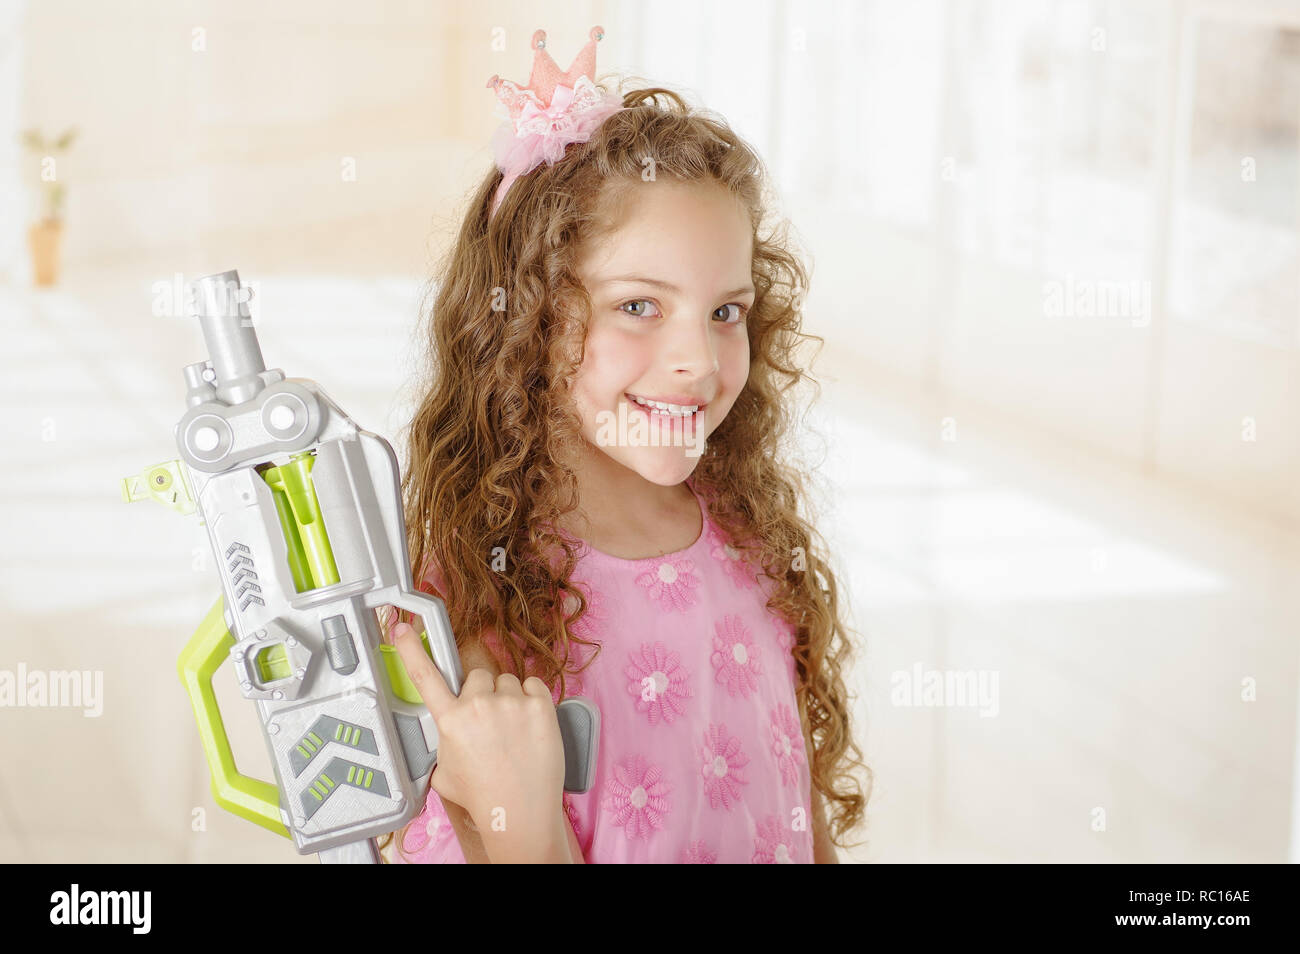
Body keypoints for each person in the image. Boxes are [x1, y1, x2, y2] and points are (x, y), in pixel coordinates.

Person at [377, 25, 868, 863]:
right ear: (526, 321)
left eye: (727, 311)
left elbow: (798, 825)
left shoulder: (745, 535)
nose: (700, 361)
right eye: (639, 305)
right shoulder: (482, 608)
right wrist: (518, 809)